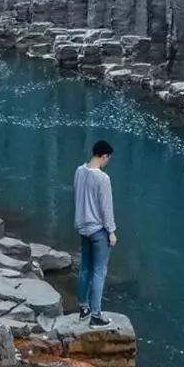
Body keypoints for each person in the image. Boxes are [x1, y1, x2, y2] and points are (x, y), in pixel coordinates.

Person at [73, 139, 117, 327]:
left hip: (83, 227)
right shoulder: (102, 179)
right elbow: (106, 208)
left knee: (85, 268)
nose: (108, 162)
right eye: (109, 158)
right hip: (98, 230)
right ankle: (96, 315)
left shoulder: (79, 171)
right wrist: (112, 231)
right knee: (99, 272)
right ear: (104, 156)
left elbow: (76, 195)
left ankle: (83, 307)